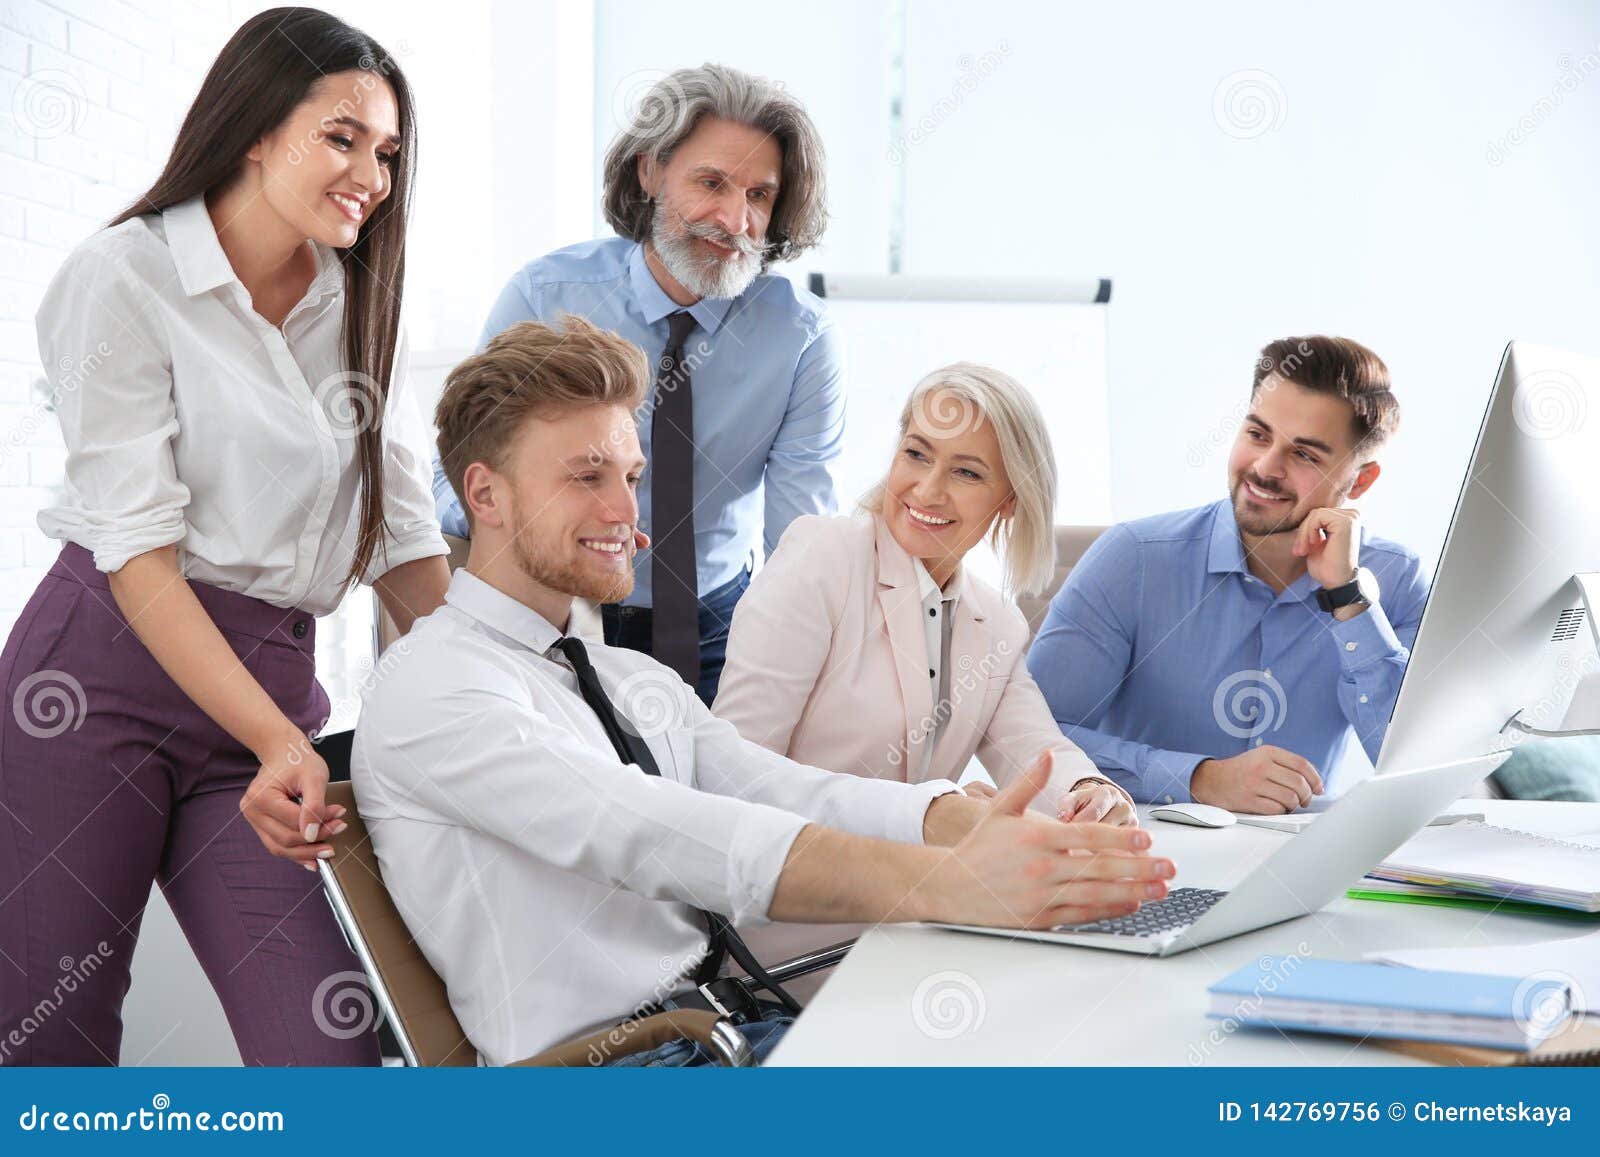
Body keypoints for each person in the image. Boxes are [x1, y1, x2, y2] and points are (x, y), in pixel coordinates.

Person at [354, 318, 1171, 1066]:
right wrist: (952, 879)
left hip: (733, 1027)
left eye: (630, 476)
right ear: (485, 494)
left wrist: (956, 819)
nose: (627, 513)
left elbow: (781, 787)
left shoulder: (624, 677)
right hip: (626, 1066)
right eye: (586, 477)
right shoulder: (437, 688)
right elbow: (654, 832)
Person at [0, 8, 449, 1066]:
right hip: (100, 676)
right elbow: (137, 554)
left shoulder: (357, 298)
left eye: (385, 151)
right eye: (342, 137)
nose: (372, 174)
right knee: (47, 1042)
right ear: (253, 128)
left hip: (266, 698)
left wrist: (497, 699)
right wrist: (280, 740)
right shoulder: (122, 277)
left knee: (328, 1050)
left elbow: (405, 539)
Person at [431, 64, 843, 704]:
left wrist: (797, 665)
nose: (734, 221)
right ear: (651, 172)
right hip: (557, 614)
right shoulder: (548, 297)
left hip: (723, 629)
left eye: (759, 196)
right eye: (712, 183)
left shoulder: (801, 336)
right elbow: (454, 479)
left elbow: (801, 541)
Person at [1028, 336, 1427, 814]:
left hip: (1304, 863)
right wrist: (1199, 778)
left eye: (1304, 455)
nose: (1265, 467)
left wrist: (1348, 597)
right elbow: (1031, 743)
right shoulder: (1133, 559)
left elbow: (1417, 767)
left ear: (1360, 481)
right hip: (1146, 855)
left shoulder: (1395, 578)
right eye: (1258, 434)